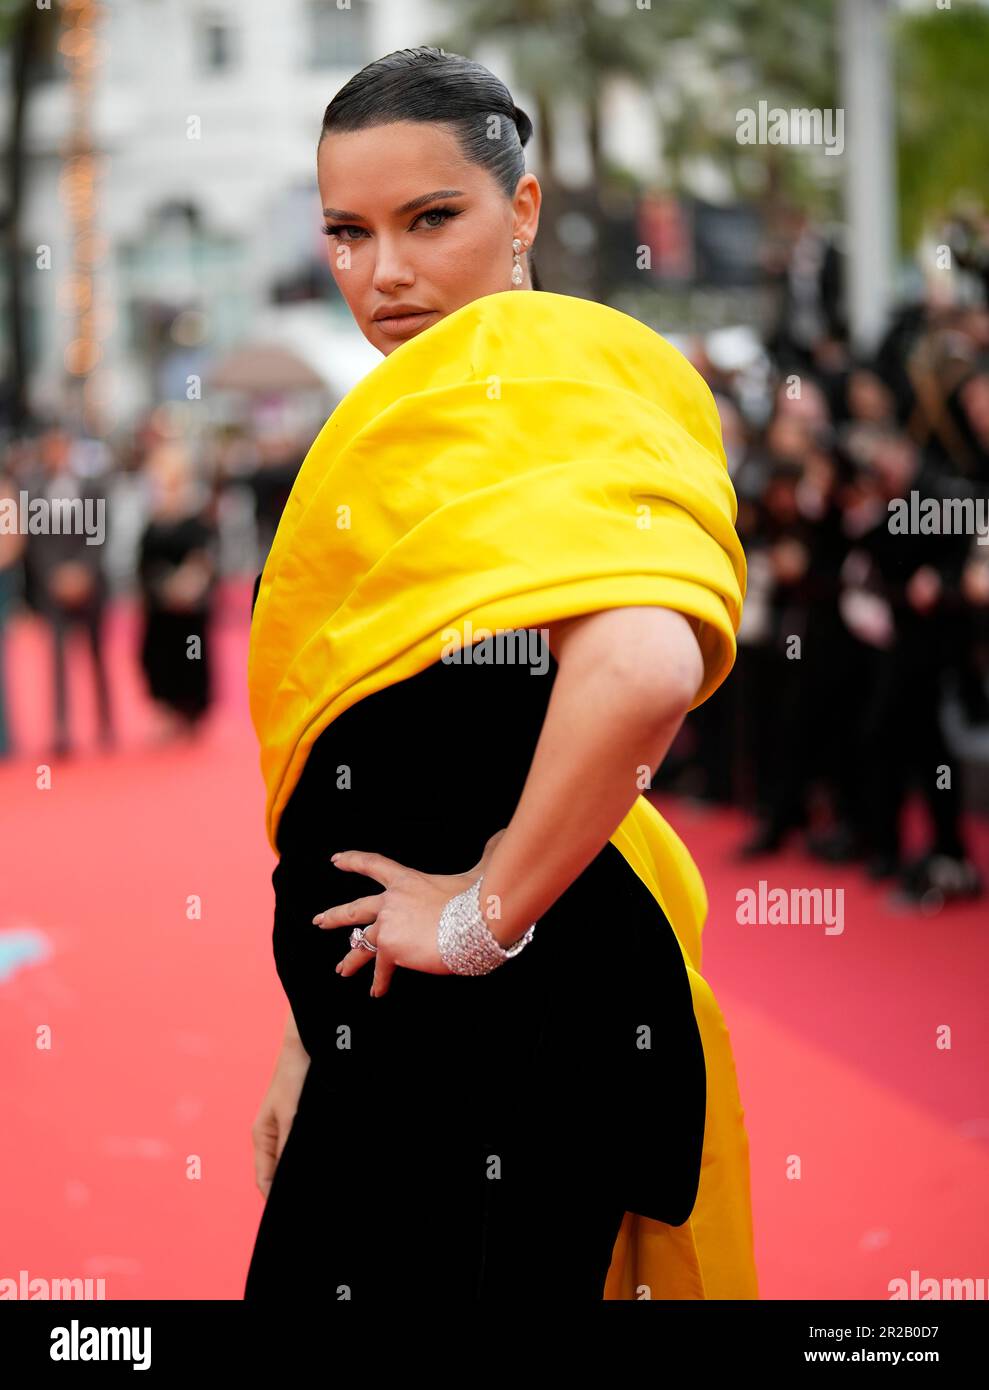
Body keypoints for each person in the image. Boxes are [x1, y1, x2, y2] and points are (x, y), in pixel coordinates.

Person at [243, 45, 756, 1303]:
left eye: (431, 219)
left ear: (521, 210)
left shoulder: (555, 386)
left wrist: (476, 922)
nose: (386, 273)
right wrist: (316, 1027)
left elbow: (639, 666)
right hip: (411, 1023)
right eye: (346, 233)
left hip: (505, 1037)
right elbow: (399, 770)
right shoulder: (436, 413)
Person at [136, 442, 218, 740]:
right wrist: (164, 588)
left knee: (191, 656)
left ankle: (193, 713)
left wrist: (188, 585)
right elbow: (144, 562)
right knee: (160, 656)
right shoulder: (153, 518)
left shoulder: (196, 513)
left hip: (191, 605)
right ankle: (168, 710)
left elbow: (205, 556)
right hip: (160, 606)